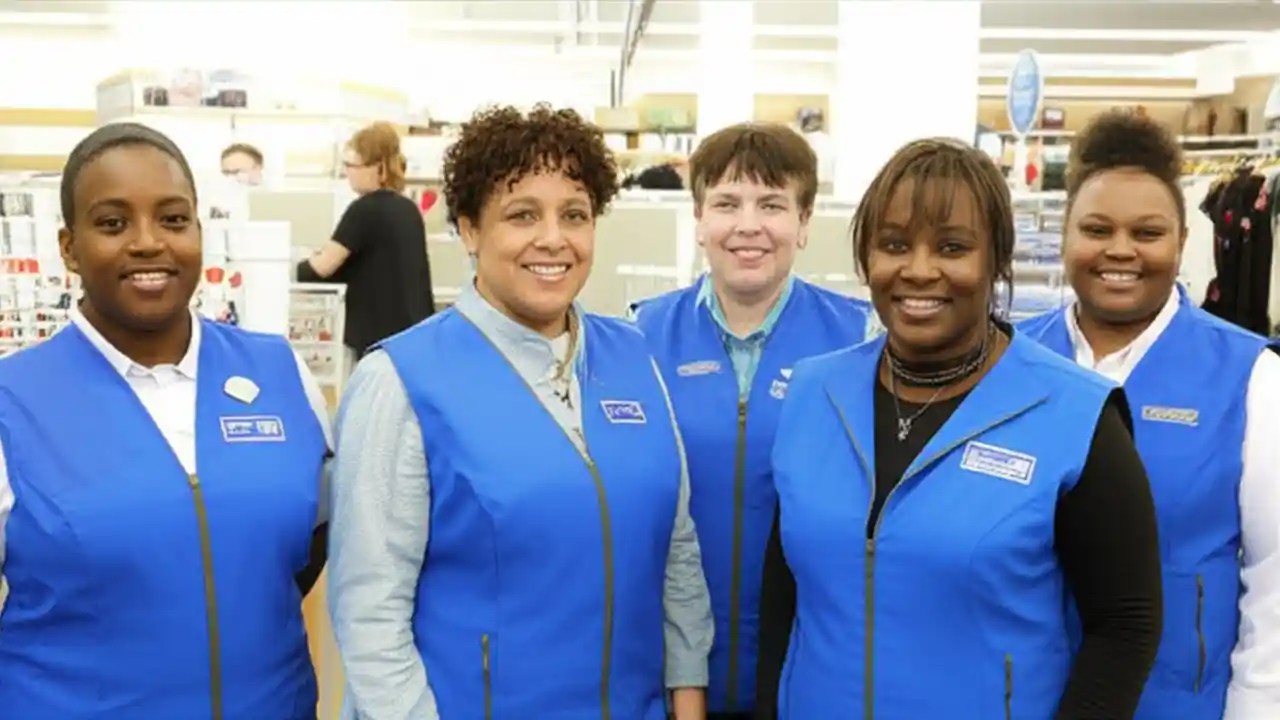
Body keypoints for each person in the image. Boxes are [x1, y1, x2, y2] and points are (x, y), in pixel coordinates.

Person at [755, 137, 1164, 719]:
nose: (919, 270)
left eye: (952, 247)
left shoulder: (1074, 416)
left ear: (996, 260)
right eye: (894, 245)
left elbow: (1125, 625)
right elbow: (784, 594)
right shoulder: (812, 394)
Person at [327, 104, 714, 720]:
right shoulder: (402, 381)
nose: (553, 239)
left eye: (575, 215)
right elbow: (371, 614)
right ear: (468, 229)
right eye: (522, 214)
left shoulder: (634, 356)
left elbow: (677, 550)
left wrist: (688, 697)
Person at [0, 123, 331, 718]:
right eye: (112, 223)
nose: (148, 242)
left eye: (174, 220)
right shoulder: (14, 400)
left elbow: (311, 542)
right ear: (69, 247)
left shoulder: (280, 373)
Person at [1018, 111, 1280, 720]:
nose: (1120, 250)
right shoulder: (1009, 362)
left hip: (1175, 704)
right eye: (1097, 229)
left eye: (1147, 233)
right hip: (1027, 700)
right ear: (1065, 235)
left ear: (1182, 242)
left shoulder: (1250, 378)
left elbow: (1274, 583)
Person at [630, 122, 871, 719]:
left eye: (772, 205)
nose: (748, 225)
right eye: (726, 203)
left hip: (806, 674)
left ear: (805, 222)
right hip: (667, 673)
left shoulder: (859, 342)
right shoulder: (639, 339)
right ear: (698, 218)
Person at [296, 121, 435, 363]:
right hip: (414, 335)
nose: (347, 172)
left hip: (378, 342)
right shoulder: (408, 209)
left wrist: (293, 264)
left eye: (353, 165)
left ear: (378, 167)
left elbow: (319, 269)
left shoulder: (365, 209)